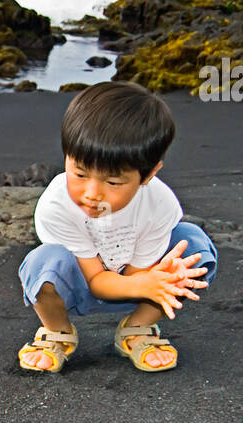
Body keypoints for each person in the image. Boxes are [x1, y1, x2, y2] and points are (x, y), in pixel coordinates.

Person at [17, 82, 217, 373]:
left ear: (148, 174)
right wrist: (143, 283)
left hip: (141, 286)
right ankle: (57, 332)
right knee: (43, 261)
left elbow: (139, 275)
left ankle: (137, 328)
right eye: (80, 173)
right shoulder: (57, 204)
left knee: (193, 245)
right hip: (80, 288)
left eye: (112, 182)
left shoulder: (158, 203)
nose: (92, 193)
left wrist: (152, 281)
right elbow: (97, 281)